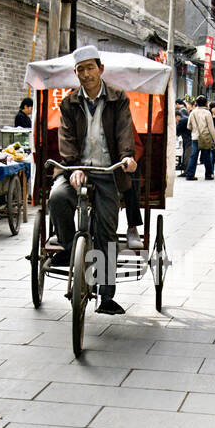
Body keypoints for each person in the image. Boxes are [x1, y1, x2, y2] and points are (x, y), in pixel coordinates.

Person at [49, 45, 139, 315]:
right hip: (76, 168)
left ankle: (107, 295)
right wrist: (72, 166)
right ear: (75, 73)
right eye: (80, 70)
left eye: (90, 68)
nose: (86, 74)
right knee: (57, 198)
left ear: (100, 69)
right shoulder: (69, 102)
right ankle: (67, 247)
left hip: (108, 170)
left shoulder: (118, 98)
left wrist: (127, 157)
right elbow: (65, 138)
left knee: (106, 230)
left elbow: (124, 130)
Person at [184, 95, 215, 181]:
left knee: (193, 156)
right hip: (205, 137)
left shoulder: (193, 112)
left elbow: (188, 126)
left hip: (195, 137)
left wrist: (194, 130)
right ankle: (209, 174)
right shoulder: (207, 113)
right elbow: (211, 128)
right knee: (207, 156)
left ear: (196, 103)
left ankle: (190, 174)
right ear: (206, 103)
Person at [175, 106, 191, 173]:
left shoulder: (182, 120)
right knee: (186, 155)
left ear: (177, 116)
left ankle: (187, 172)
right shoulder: (185, 118)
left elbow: (176, 131)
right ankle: (186, 171)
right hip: (188, 139)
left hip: (189, 139)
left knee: (187, 156)